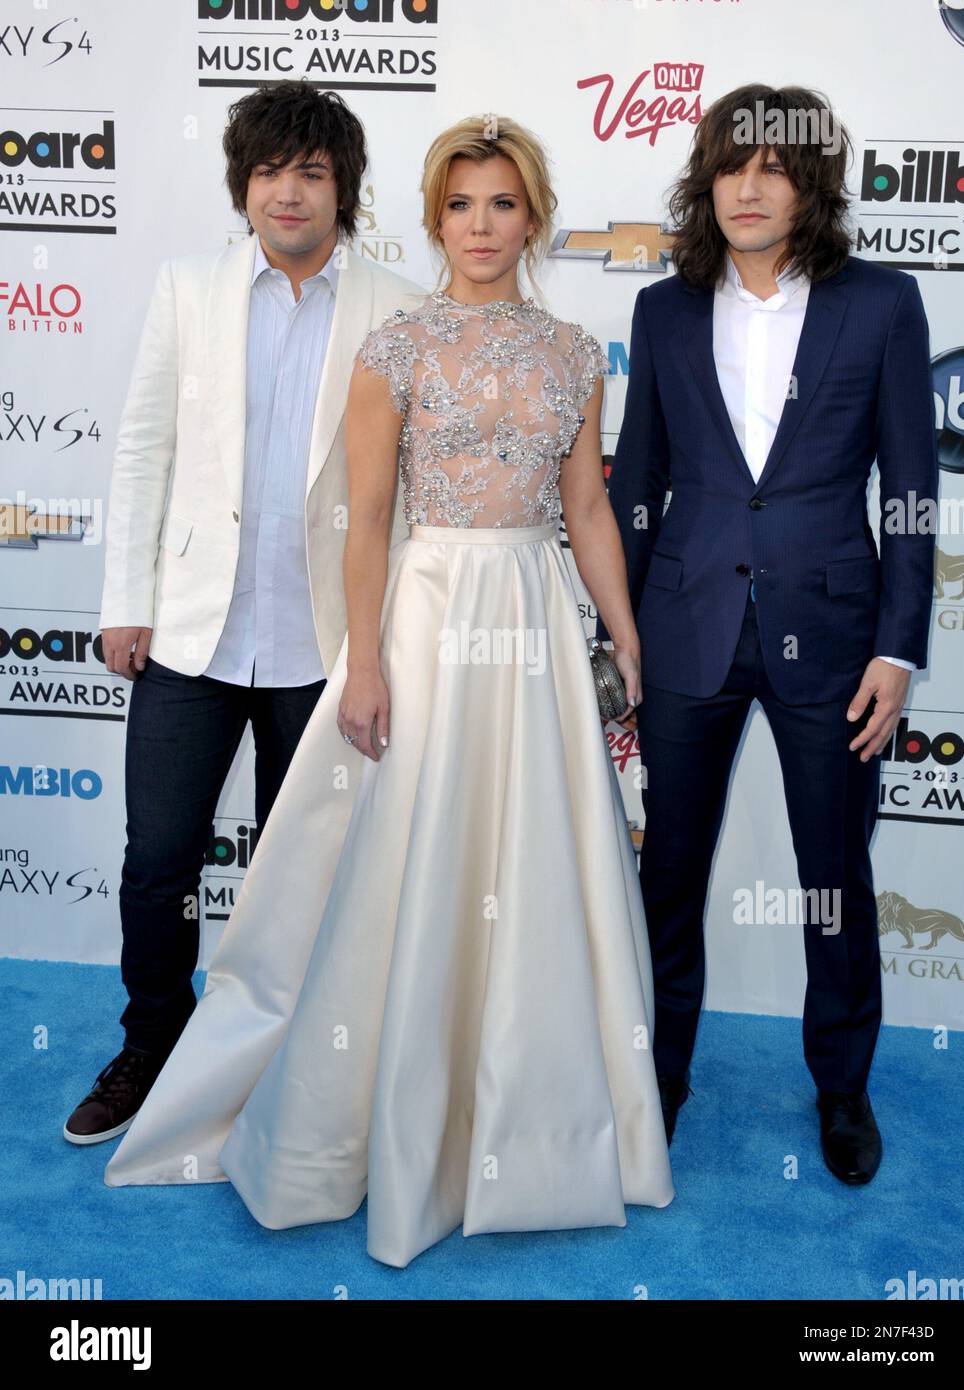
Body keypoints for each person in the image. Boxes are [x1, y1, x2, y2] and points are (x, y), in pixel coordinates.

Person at [100, 115, 675, 1268]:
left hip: (531, 624)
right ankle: (307, 1092)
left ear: (533, 217)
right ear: (432, 219)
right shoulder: (397, 346)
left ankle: (527, 1119)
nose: (480, 225)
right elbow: (367, 521)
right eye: (460, 206)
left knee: (532, 863)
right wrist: (365, 660)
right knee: (400, 862)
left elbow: (590, 510)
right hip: (424, 615)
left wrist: (623, 629)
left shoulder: (571, 351)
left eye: (502, 204)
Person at [64, 81, 424, 1145]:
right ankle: (152, 1043)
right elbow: (143, 450)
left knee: (300, 866)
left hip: (324, 642)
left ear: (343, 189)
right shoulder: (187, 288)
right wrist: (127, 599)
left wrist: (382, 644)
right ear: (244, 186)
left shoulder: (397, 309)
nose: (288, 192)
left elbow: (402, 495)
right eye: (270, 171)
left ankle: (286, 1064)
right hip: (191, 634)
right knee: (161, 855)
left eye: (311, 172)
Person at [596, 84, 938, 1182]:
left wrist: (899, 646)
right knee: (669, 876)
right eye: (732, 164)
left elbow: (911, 489)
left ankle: (842, 1090)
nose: (749, 186)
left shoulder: (880, 305)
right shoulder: (662, 310)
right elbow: (637, 475)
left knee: (832, 875)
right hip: (684, 629)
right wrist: (622, 640)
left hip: (835, 639)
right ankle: (658, 1075)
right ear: (708, 180)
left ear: (811, 184)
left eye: (775, 167)